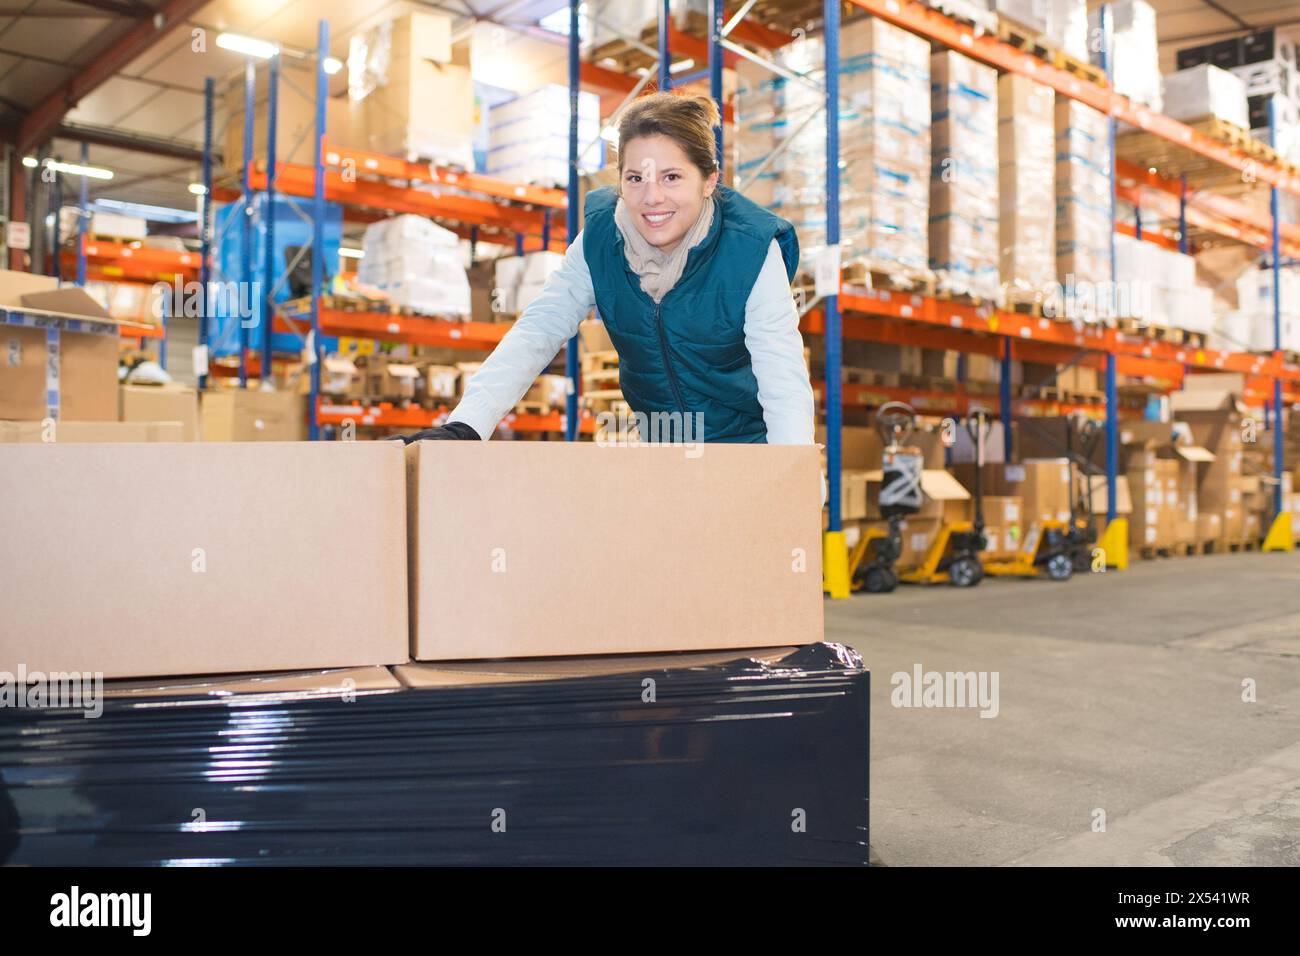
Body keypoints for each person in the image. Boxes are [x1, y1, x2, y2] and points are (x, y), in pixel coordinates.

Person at [398, 92, 813, 446]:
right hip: (661, 452)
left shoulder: (752, 250)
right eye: (635, 178)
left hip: (747, 451)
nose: (651, 197)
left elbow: (782, 377)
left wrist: (790, 478)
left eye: (671, 177)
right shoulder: (600, 240)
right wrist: (467, 425)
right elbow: (538, 331)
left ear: (709, 181)